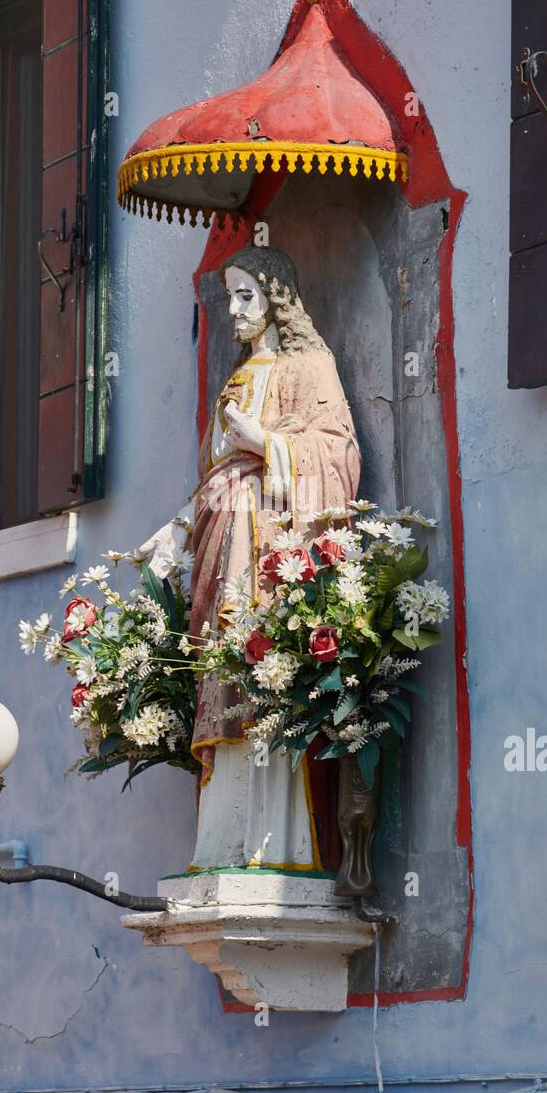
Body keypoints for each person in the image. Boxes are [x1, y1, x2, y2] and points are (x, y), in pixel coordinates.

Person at [141, 246, 361, 871]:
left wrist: (263, 443)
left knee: (263, 671)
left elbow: (339, 454)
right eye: (229, 295)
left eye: (246, 295)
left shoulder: (310, 365)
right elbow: (215, 476)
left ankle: (277, 842)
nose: (234, 310)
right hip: (223, 542)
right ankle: (224, 838)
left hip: (272, 543)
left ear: (276, 297)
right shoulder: (234, 381)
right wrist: (177, 530)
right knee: (225, 667)